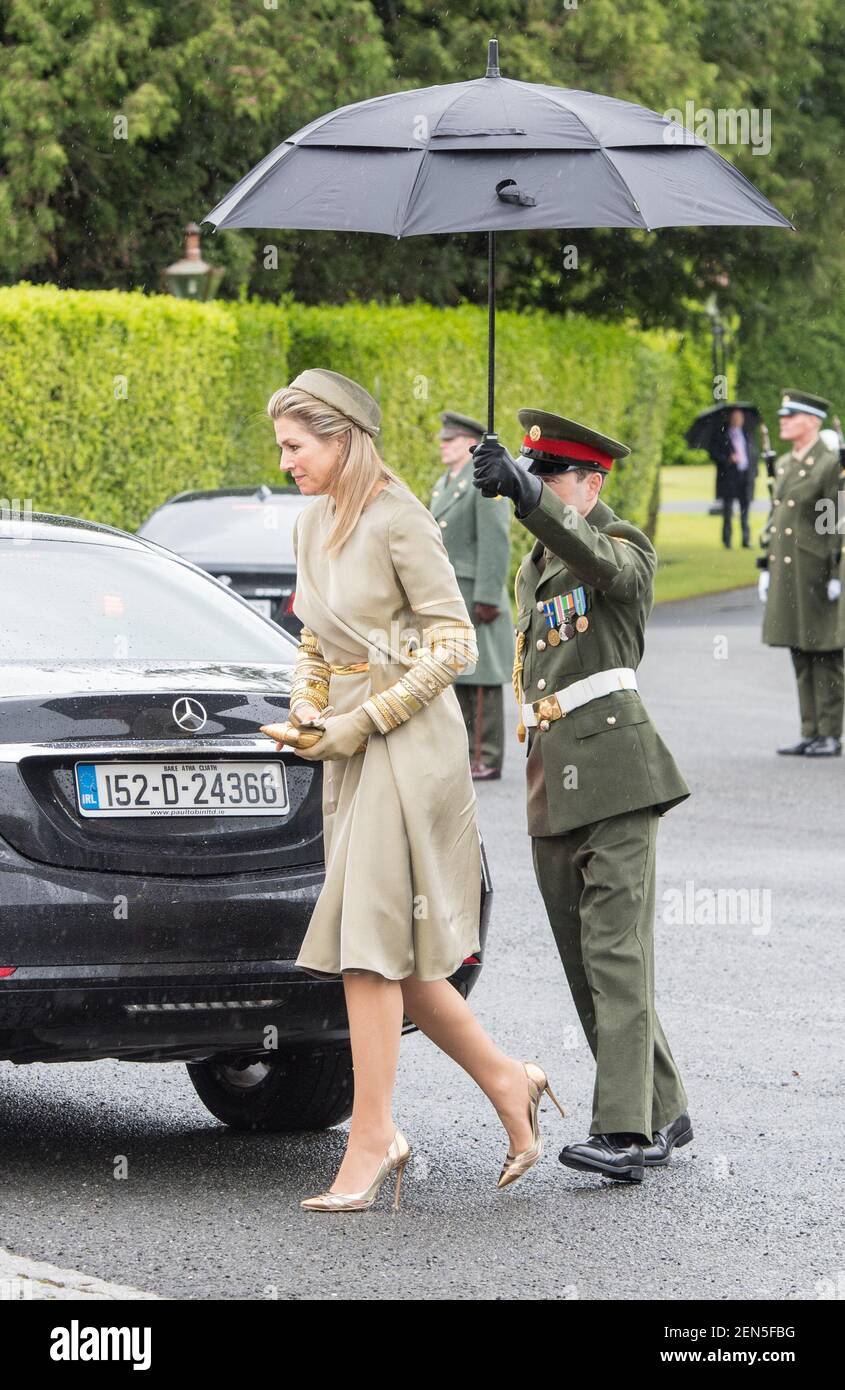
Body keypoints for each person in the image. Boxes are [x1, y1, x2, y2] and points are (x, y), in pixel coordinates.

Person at [259, 368, 566, 1213]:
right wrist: (307, 705)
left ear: (341, 438)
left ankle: (373, 1135)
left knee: (367, 949)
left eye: (296, 446)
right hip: (349, 750)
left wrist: (362, 721)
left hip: (409, 752)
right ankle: (511, 1081)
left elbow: (453, 643)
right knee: (400, 954)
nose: (286, 461)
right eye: (282, 446)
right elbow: (314, 644)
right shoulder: (310, 523)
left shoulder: (402, 519)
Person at [471, 411, 692, 1184]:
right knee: (582, 960)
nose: (541, 488)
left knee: (614, 953)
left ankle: (625, 1133)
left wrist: (528, 495)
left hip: (618, 775)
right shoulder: (536, 563)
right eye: (534, 474)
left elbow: (602, 562)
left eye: (553, 475)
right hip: (550, 778)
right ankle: (664, 1103)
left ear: (590, 482)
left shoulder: (623, 544)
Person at [757, 389, 843, 757]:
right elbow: (777, 519)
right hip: (789, 572)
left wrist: (837, 570)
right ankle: (810, 729)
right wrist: (764, 565)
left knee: (824, 652)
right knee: (799, 650)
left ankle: (830, 733)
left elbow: (835, 520)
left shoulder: (828, 464)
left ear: (812, 421)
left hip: (818, 571)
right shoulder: (787, 464)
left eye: (790, 416)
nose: (783, 422)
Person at [429, 410, 515, 779]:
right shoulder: (446, 482)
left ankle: (486, 755)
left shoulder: (484, 484)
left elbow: (495, 542)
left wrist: (488, 596)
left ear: (470, 444)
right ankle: (466, 751)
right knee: (460, 675)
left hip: (478, 595)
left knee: (481, 679)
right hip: (453, 593)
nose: (443, 446)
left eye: (450, 441)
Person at [711, 406, 758, 548]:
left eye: (741, 417)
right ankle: (727, 541)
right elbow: (714, 454)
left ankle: (746, 540)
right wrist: (728, 459)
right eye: (736, 417)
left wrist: (754, 472)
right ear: (731, 419)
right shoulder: (722, 435)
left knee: (745, 511)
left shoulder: (747, 434)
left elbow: (753, 454)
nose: (739, 420)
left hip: (745, 476)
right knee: (728, 511)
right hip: (729, 477)